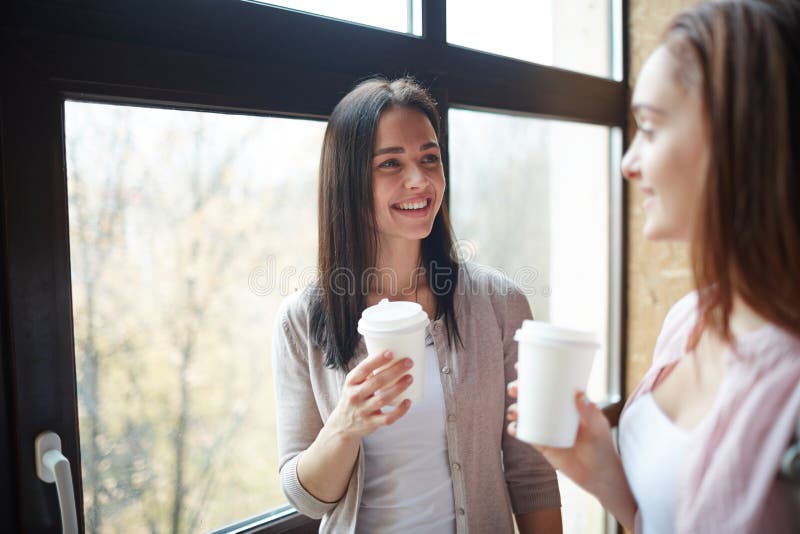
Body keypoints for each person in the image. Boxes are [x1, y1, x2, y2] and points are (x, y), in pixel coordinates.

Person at [506, 1, 800, 532]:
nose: (628, 161)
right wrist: (601, 472)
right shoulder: (689, 320)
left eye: (649, 127)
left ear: (736, 138)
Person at [272, 77, 562, 533]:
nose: (419, 180)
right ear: (348, 181)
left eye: (430, 158)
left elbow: (532, 474)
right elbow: (306, 498)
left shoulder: (500, 304)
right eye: (391, 163)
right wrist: (345, 425)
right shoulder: (301, 320)